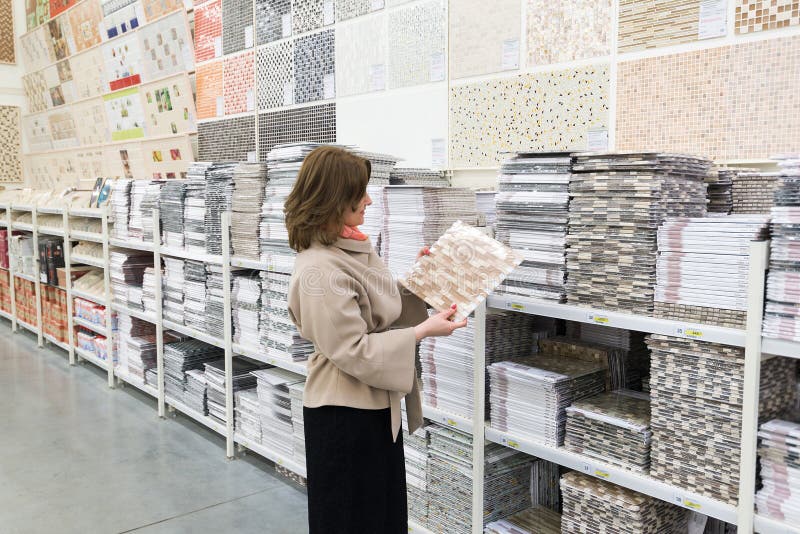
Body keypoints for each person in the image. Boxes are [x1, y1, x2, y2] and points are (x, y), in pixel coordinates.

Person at [285, 145, 467, 533]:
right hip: (344, 415)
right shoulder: (319, 269)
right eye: (359, 194)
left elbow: (372, 306)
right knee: (352, 518)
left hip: (372, 408)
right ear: (333, 200)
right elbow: (353, 350)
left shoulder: (348, 247)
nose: (368, 200)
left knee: (380, 514)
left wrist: (421, 279)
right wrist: (422, 331)